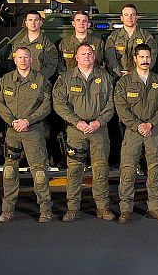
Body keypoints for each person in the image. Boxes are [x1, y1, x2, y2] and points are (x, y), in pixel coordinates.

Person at [53, 42, 115, 221]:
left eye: (90, 53)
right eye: (83, 54)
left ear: (94, 56)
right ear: (76, 57)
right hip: (76, 131)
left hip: (99, 131)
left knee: (101, 170)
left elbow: (112, 103)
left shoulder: (105, 77)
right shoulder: (65, 78)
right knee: (74, 171)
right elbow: (59, 103)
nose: (87, 56)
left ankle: (102, 208)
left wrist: (99, 122)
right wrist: (76, 122)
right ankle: (72, 209)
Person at [0, 46, 53, 224]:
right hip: (13, 131)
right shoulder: (6, 80)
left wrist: (28, 121)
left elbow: (47, 105)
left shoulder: (41, 80)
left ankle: (45, 211)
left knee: (40, 173)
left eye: (26, 57)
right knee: (10, 172)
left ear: (31, 59)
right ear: (14, 59)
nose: (23, 60)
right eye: (20, 57)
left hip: (33, 131)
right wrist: (12, 121)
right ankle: (7, 211)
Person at [113, 43, 158, 223]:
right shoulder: (124, 82)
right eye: (142, 57)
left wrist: (151, 124)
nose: (145, 60)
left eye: (148, 57)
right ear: (135, 59)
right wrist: (137, 125)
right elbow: (121, 107)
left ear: (151, 59)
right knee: (128, 170)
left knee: (155, 170)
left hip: (153, 132)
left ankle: (154, 207)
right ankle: (125, 209)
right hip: (133, 132)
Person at [104, 4, 158, 79]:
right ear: (122, 18)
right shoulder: (113, 37)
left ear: (136, 17)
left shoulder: (146, 37)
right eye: (126, 15)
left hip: (139, 78)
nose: (130, 18)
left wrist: (134, 74)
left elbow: (151, 58)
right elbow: (110, 59)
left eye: (132, 15)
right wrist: (119, 74)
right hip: (117, 78)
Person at [11, 10, 63, 82]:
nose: (33, 23)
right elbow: (11, 63)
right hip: (19, 81)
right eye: (30, 20)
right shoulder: (18, 43)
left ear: (41, 23)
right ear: (26, 23)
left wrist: (37, 78)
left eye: (36, 20)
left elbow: (51, 65)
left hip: (38, 83)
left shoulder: (47, 44)